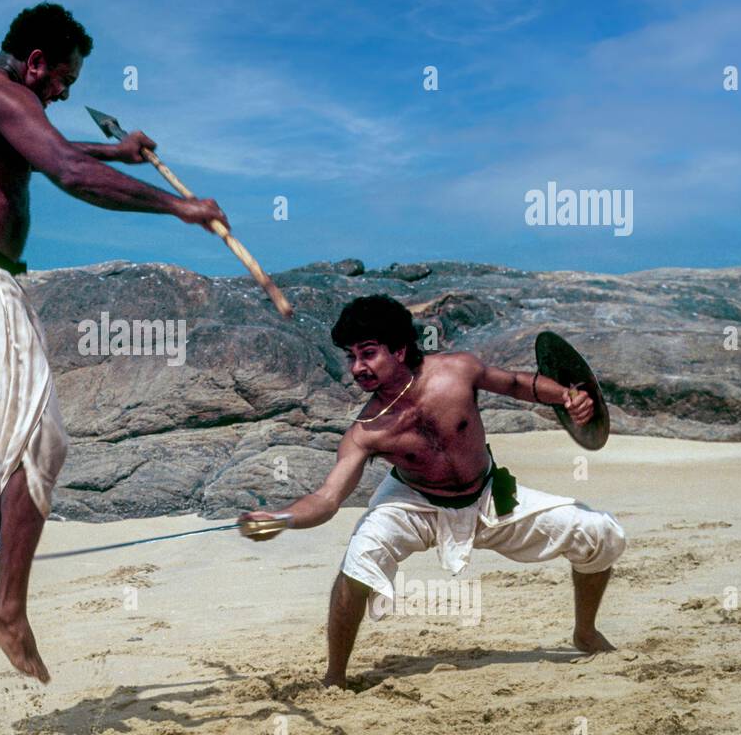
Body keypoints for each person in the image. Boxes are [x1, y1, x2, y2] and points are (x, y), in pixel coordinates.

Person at [0, 2, 230, 683]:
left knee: (16, 439)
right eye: (62, 80)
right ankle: (9, 609)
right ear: (37, 61)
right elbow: (66, 173)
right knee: (44, 442)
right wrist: (179, 207)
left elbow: (54, 150)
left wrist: (115, 150)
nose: (64, 93)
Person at [238, 294, 626, 688]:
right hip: (412, 504)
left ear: (400, 349)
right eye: (352, 357)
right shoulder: (366, 430)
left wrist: (567, 397)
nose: (358, 368)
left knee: (598, 532)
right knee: (359, 561)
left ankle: (585, 632)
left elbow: (516, 384)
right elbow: (326, 499)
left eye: (368, 353)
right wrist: (281, 518)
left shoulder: (458, 371)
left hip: (487, 493)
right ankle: (335, 677)